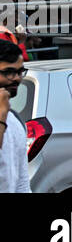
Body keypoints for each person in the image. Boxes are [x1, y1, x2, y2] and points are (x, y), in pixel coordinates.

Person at [0, 40, 31, 193]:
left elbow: (22, 183)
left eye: (20, 72)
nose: (17, 78)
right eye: (9, 72)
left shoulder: (15, 120)